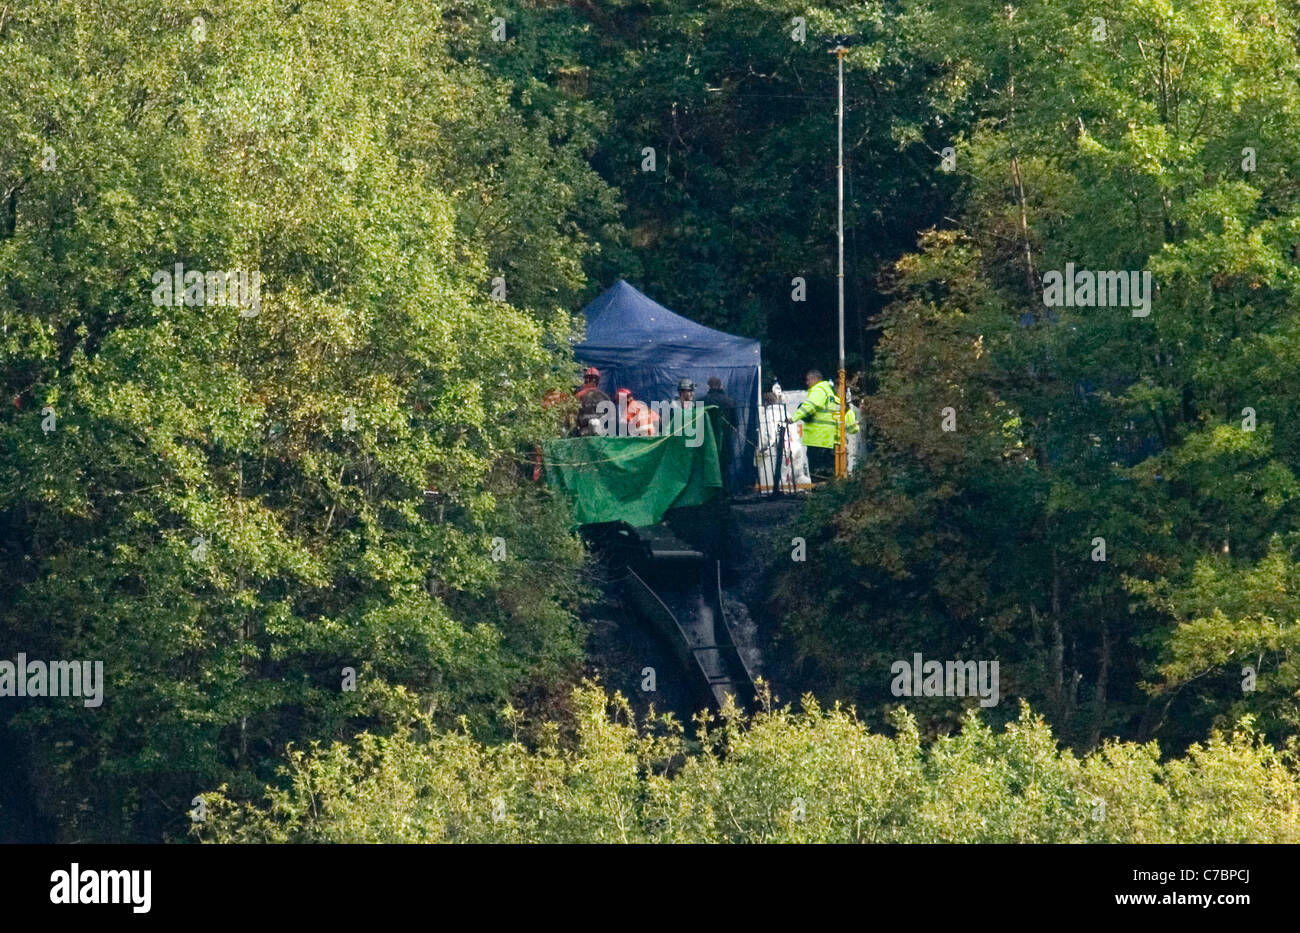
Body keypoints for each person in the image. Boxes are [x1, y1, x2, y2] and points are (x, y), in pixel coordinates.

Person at [790, 369, 858, 482]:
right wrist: (853, 428)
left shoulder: (819, 390)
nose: (807, 383)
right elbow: (846, 411)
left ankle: (819, 496)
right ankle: (829, 495)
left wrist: (793, 418)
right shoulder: (832, 396)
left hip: (817, 440)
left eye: (808, 380)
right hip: (830, 441)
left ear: (815, 379)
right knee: (829, 473)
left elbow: (810, 405)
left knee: (817, 473)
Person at [702, 376, 737, 494]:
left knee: (708, 467)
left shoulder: (700, 402)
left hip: (706, 441)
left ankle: (710, 493)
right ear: (721, 386)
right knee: (725, 467)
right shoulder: (730, 402)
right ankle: (725, 492)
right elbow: (735, 423)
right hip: (725, 439)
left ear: (708, 387)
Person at [573, 366, 609, 436]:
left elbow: (573, 417)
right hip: (602, 432)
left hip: (583, 432)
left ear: (585, 380)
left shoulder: (578, 396)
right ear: (597, 381)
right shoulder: (605, 397)